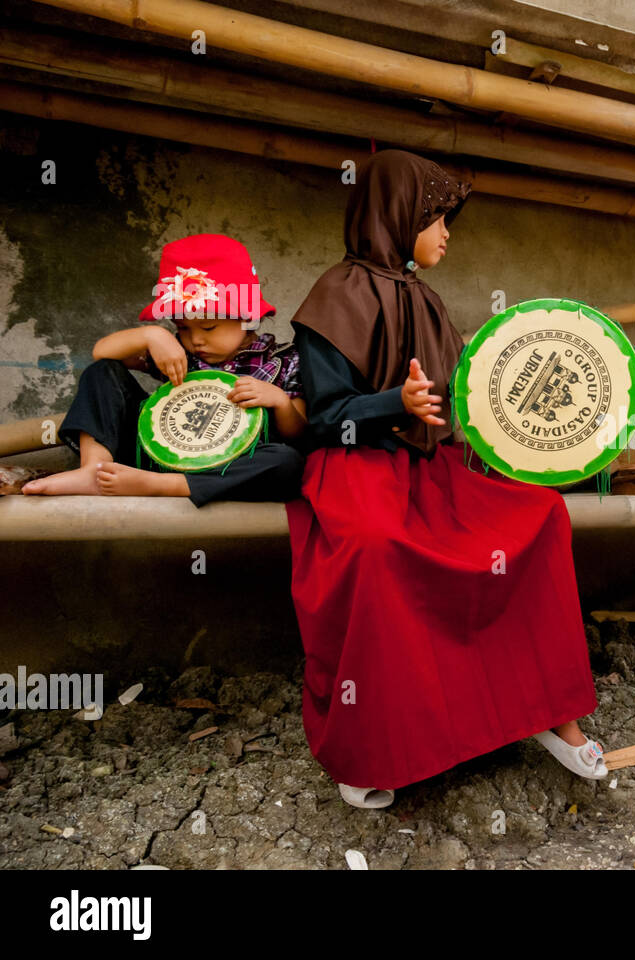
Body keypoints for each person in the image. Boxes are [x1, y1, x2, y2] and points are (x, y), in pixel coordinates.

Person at [287, 150, 605, 810]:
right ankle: (375, 747)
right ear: (396, 216)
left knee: (541, 517)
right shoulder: (333, 295)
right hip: (358, 468)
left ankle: (550, 713)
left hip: (435, 471)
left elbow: (461, 405)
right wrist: (389, 406)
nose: (447, 233)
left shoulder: (427, 300)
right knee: (377, 549)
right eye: (437, 217)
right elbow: (322, 419)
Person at [23, 233, 305, 503]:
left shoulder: (282, 360)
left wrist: (279, 402)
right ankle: (95, 471)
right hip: (153, 457)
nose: (196, 339)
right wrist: (152, 336)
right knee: (103, 371)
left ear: (247, 317)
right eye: (183, 328)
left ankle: (161, 486)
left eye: (209, 327)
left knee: (287, 461)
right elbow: (102, 352)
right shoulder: (176, 352)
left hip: (223, 472)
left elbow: (299, 433)